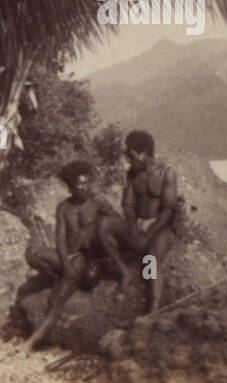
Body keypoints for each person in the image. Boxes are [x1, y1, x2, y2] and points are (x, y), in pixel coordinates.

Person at [20, 160, 115, 352]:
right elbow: (60, 239)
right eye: (79, 184)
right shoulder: (63, 207)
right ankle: (59, 276)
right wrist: (65, 264)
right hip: (68, 256)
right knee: (33, 254)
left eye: (88, 183)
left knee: (55, 301)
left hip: (85, 260)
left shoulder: (98, 202)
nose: (85, 188)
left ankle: (29, 344)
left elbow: (115, 225)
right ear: (71, 187)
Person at [98, 130, 178, 315]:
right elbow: (127, 206)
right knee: (103, 226)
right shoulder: (133, 174)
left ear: (143, 153)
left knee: (150, 259)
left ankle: (153, 307)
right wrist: (134, 230)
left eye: (131, 154)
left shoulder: (167, 173)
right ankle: (123, 271)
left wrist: (149, 233)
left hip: (161, 227)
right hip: (138, 225)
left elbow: (168, 209)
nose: (128, 158)